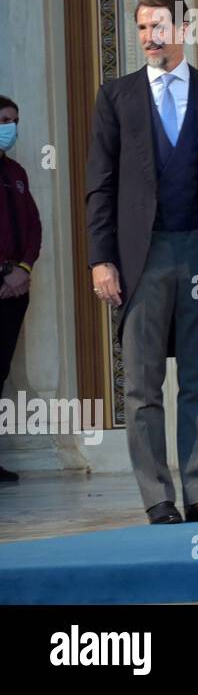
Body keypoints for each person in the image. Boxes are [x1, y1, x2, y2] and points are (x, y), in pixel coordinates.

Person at [85, 0, 198, 523]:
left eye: (159, 26)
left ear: (184, 28)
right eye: (142, 28)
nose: (150, 37)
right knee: (141, 384)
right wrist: (101, 259)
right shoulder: (116, 96)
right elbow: (100, 186)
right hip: (142, 255)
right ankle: (158, 498)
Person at [0, 96, 41, 483]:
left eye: (14, 120)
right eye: (3, 120)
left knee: (1, 370)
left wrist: (23, 270)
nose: (10, 127)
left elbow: (32, 226)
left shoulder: (16, 172)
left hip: (16, 285)